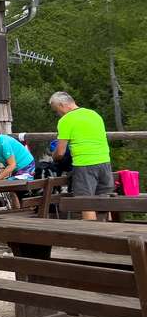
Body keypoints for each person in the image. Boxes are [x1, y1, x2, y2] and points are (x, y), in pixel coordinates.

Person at [49, 91, 113, 220]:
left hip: (84, 164)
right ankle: (109, 235)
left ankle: (91, 238)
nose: (58, 114)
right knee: (106, 202)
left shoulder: (66, 120)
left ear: (62, 105)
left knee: (85, 203)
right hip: (105, 161)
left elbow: (60, 152)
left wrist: (54, 156)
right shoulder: (94, 114)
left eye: (57, 110)